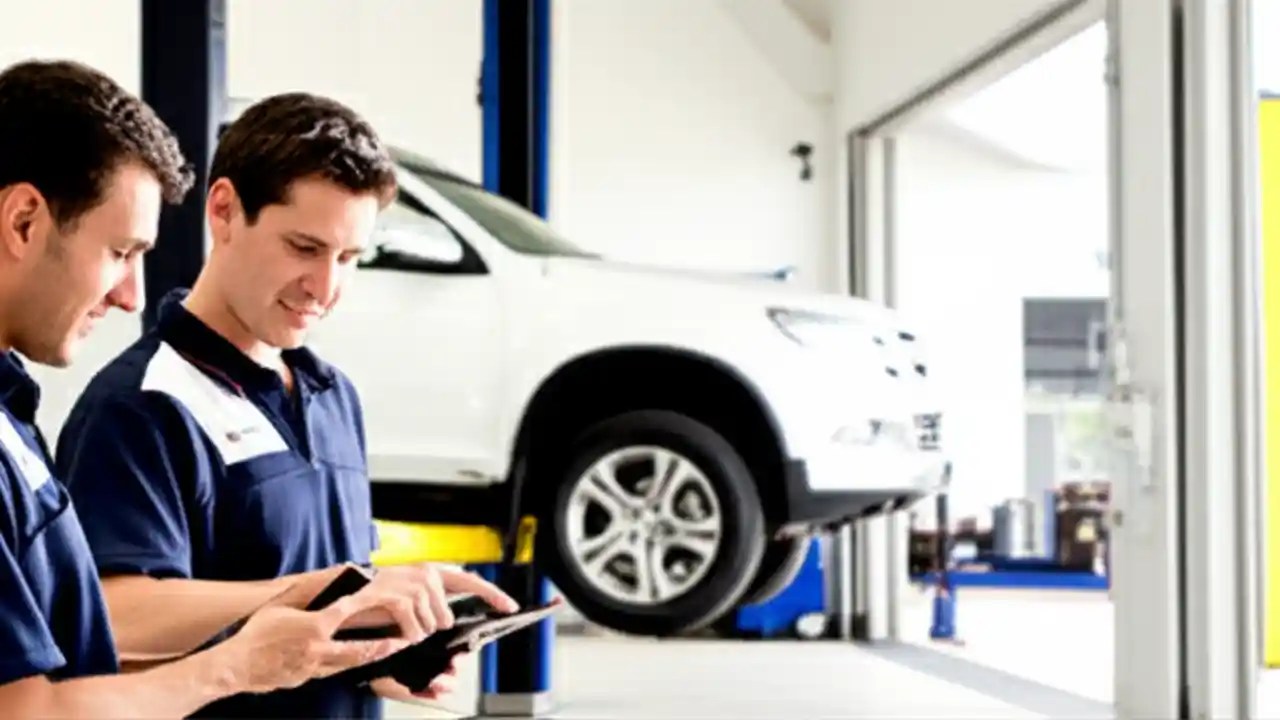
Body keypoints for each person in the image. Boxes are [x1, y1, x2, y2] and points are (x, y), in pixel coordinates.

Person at [54, 90, 517, 719]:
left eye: (349, 258)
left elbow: (323, 622)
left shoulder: (333, 397)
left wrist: (385, 653)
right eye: (304, 248)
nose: (326, 288)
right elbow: (116, 614)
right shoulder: (142, 406)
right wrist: (315, 594)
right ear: (223, 212)